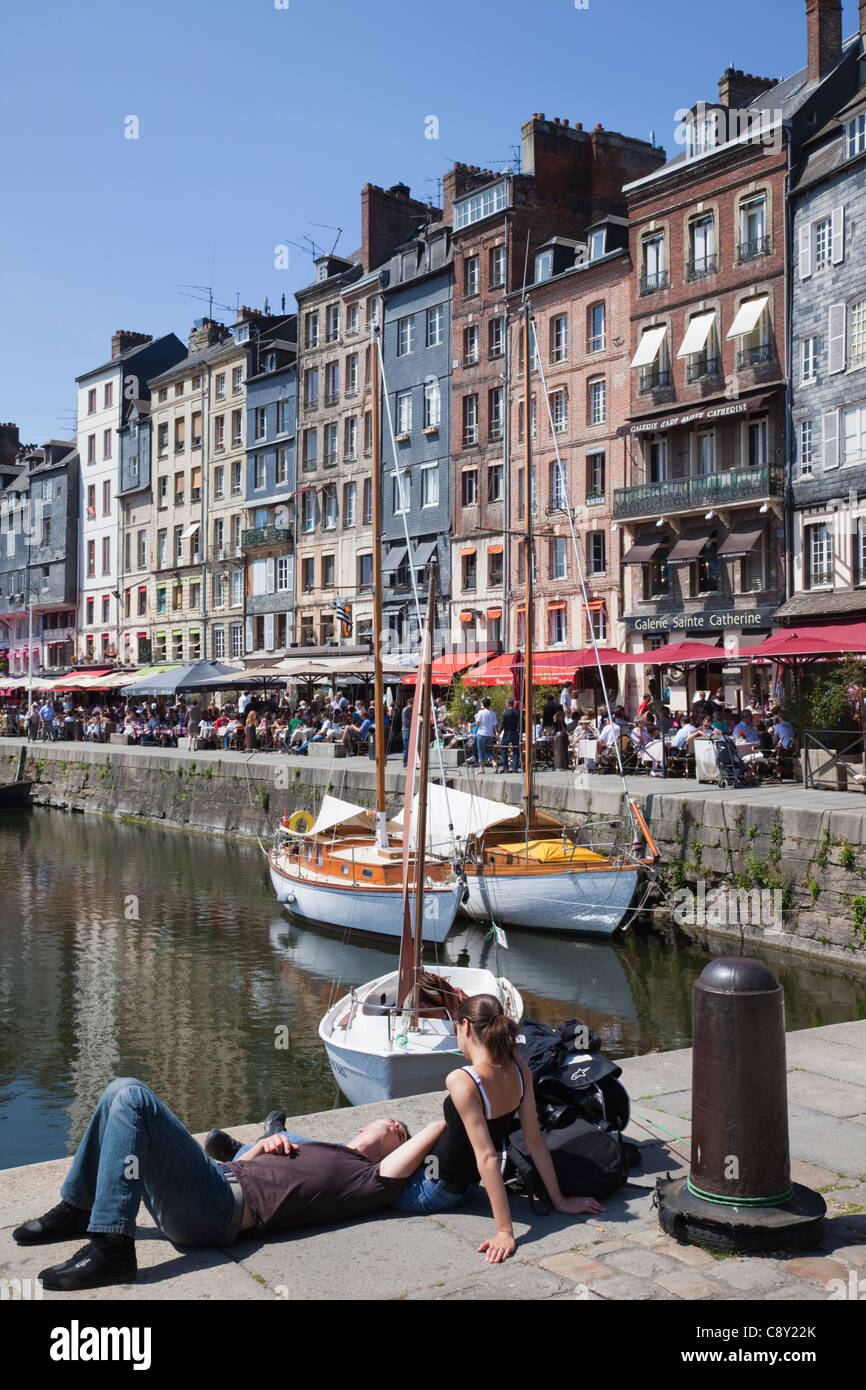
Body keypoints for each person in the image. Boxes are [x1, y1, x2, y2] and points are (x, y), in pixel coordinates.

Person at [13, 1076, 445, 1291]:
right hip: (215, 1185)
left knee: (133, 1097)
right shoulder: (321, 1147)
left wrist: (447, 1114)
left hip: (215, 1210)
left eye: (400, 1132)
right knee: (116, 1093)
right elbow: (252, 1166)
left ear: (395, 1151)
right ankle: (79, 1207)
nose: (394, 1123)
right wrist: (262, 1147)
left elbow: (416, 1149)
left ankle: (112, 1248)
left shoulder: (366, 1179)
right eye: (392, 1120)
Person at [390, 995, 605, 1260]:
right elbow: (533, 1139)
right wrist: (559, 1201)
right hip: (466, 1187)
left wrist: (505, 1231)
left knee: (372, 1169)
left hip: (431, 1190)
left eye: (456, 1028)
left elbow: (488, 1157)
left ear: (465, 1026)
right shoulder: (518, 1068)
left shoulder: (462, 1080)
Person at [497, 698, 521, 773]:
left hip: (507, 732)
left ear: (507, 704)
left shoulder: (505, 713)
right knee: (516, 750)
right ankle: (515, 768)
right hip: (515, 732)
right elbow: (520, 723)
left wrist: (498, 732)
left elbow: (502, 724)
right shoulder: (517, 712)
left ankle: (506, 767)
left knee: (504, 749)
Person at [475, 697, 498, 767]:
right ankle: (493, 761)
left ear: (483, 704)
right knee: (488, 750)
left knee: (480, 751)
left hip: (481, 733)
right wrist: (496, 733)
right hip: (489, 734)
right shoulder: (493, 713)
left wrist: (480, 724)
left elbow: (477, 723)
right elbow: (495, 725)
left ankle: (481, 768)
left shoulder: (480, 712)